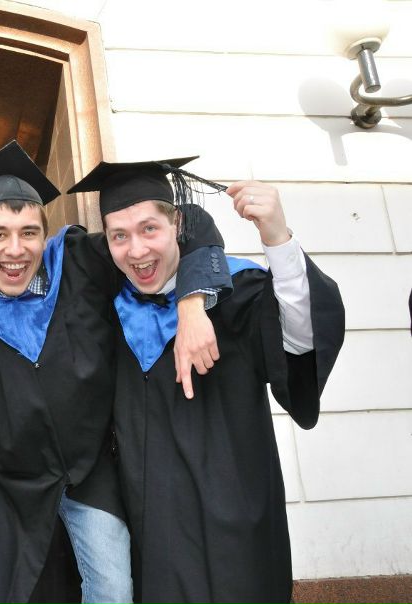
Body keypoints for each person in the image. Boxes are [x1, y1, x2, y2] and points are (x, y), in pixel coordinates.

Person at [0, 141, 231, 604]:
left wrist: (192, 303)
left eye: (29, 232)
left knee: (114, 590)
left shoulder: (80, 263)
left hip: (89, 475)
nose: (15, 249)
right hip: (2, 488)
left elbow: (187, 226)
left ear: (46, 234)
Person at [69, 159, 345, 604]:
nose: (136, 250)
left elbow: (301, 340)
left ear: (177, 224)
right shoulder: (107, 310)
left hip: (231, 525)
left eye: (149, 229)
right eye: (119, 236)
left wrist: (277, 237)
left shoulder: (237, 295)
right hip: (152, 531)